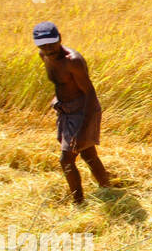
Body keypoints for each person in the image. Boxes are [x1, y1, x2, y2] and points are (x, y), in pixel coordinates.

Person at [34, 22, 112, 205]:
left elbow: (90, 94)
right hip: (66, 110)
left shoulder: (72, 61)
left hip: (83, 109)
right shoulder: (43, 55)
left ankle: (78, 203)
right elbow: (60, 83)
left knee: (66, 159)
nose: (48, 49)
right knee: (88, 154)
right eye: (42, 45)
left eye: (51, 44)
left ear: (60, 38)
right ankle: (107, 189)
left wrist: (83, 128)